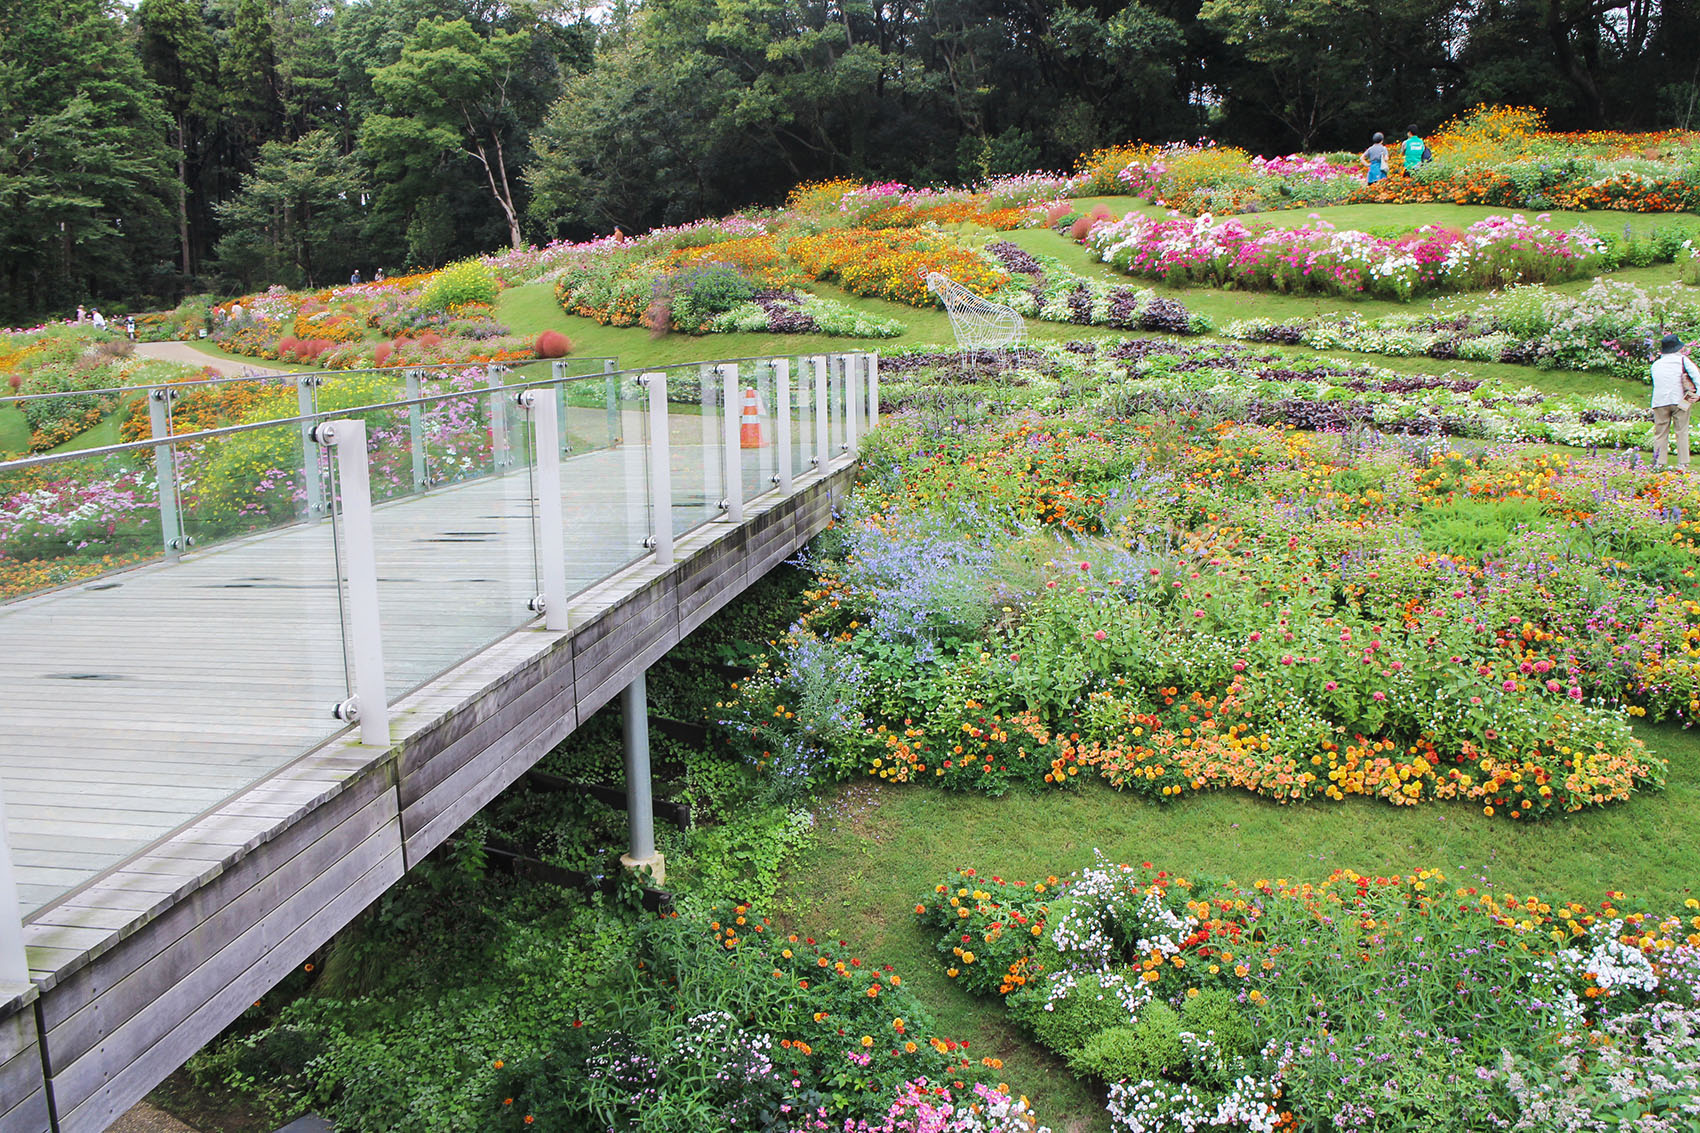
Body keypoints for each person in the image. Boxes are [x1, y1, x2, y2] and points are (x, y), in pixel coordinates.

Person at [1651, 333, 1700, 471]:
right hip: (1681, 400)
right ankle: (1682, 464)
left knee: (1660, 433)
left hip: (1660, 401)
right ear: (1677, 348)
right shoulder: (1683, 360)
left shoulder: (1656, 364)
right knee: (1681, 431)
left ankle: (1659, 462)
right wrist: (1698, 394)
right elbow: (1697, 377)